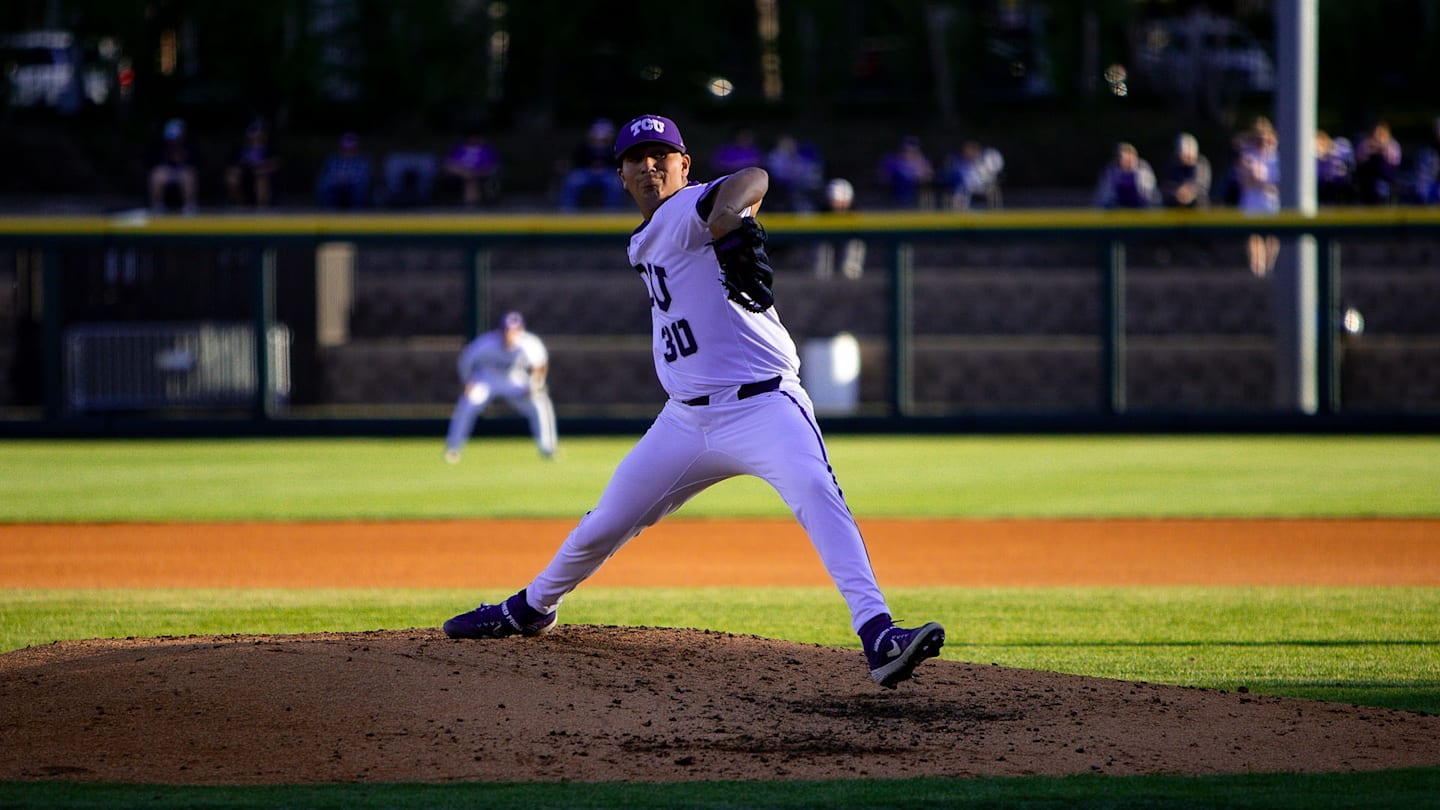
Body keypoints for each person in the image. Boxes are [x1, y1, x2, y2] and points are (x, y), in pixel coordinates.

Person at [442, 113, 945, 689]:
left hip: (764, 406)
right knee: (605, 521)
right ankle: (531, 608)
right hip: (685, 420)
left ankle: (878, 633)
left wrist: (729, 217)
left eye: (662, 155)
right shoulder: (644, 238)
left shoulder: (694, 207)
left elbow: (750, 177)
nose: (649, 165)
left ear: (685, 165)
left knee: (816, 493)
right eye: (636, 158)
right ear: (621, 176)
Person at [444, 311, 557, 463]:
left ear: (521, 330)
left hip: (514, 378)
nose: (510, 334)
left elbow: (540, 364)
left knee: (539, 402)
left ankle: (547, 448)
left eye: (514, 330)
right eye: (507, 330)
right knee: (468, 402)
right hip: (487, 379)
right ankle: (453, 448)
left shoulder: (528, 343)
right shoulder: (486, 343)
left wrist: (535, 384)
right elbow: (466, 361)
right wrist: (468, 382)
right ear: (500, 330)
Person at [1235, 117, 1280, 276]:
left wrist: (1263, 183)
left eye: (1264, 137)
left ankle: (1270, 266)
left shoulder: (1276, 156)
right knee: (1254, 236)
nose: (1262, 141)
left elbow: (1279, 182)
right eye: (1258, 137)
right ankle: (1257, 268)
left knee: (1272, 235)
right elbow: (1243, 179)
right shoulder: (1248, 154)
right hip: (1252, 200)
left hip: (1271, 201)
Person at [559, 118, 625, 211]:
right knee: (572, 180)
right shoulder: (584, 147)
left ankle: (612, 213)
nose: (599, 138)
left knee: (615, 183)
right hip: (587, 173)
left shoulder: (614, 148)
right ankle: (567, 211)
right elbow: (576, 162)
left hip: (607, 174)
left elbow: (618, 165)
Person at [813, 177, 867, 280]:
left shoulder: (854, 211)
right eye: (836, 202)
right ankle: (822, 277)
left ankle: (851, 275)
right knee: (822, 244)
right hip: (828, 240)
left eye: (843, 202)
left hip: (846, 239)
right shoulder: (822, 210)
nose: (839, 206)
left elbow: (857, 231)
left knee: (856, 243)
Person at [224, 119, 281, 209]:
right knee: (232, 177)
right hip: (245, 177)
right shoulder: (240, 149)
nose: (257, 134)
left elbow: (276, 163)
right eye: (254, 131)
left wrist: (263, 168)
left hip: (263, 178)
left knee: (261, 177)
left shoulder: (271, 149)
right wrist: (237, 170)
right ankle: (240, 206)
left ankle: (262, 209)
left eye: (261, 131)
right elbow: (233, 166)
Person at [147, 117, 198, 214]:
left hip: (183, 172)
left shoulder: (189, 146)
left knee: (188, 176)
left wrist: (181, 158)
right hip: (167, 172)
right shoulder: (162, 146)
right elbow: (155, 164)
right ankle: (157, 206)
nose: (174, 141)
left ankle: (189, 206)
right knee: (157, 175)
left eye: (177, 137)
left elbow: (194, 164)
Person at [442, 127, 502, 207]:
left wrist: (476, 173)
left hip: (481, 174)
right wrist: (463, 172)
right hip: (460, 174)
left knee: (473, 179)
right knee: (467, 178)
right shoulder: (459, 149)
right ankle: (468, 204)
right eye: (473, 137)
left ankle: (473, 204)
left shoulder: (487, 150)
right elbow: (448, 164)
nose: (475, 139)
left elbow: (494, 167)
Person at [763, 134, 823, 212]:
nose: (790, 145)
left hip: (800, 184)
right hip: (780, 186)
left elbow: (806, 171)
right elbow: (776, 174)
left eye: (791, 143)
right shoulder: (774, 157)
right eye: (787, 143)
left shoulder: (797, 156)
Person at [316, 132, 373, 209]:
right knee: (326, 186)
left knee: (359, 189)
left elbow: (364, 177)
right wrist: (338, 179)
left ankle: (357, 213)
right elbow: (327, 175)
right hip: (336, 184)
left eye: (351, 147)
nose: (349, 149)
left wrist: (348, 178)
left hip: (354, 185)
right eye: (346, 147)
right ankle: (329, 213)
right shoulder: (333, 160)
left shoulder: (362, 161)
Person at [1093, 142, 1160, 209]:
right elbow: (1104, 194)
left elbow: (1150, 193)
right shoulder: (1111, 170)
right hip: (1116, 204)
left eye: (1125, 157)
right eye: (1120, 157)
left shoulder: (1143, 168)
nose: (1122, 160)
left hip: (1140, 204)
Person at [941, 139, 1005, 210]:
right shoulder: (961, 162)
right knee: (960, 189)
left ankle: (994, 210)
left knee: (992, 189)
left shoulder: (986, 161)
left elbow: (992, 175)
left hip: (983, 186)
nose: (967, 151)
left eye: (970, 149)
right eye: (967, 149)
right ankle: (960, 211)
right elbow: (961, 177)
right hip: (966, 187)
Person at [878, 135, 935, 208]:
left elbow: (929, 176)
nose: (910, 150)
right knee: (902, 178)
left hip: (915, 189)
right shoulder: (892, 160)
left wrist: (917, 177)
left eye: (913, 146)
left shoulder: (922, 161)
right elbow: (883, 176)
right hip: (895, 189)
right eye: (908, 147)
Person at [1353, 121, 1402, 205]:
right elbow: (1359, 161)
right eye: (1377, 133)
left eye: (1382, 134)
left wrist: (1382, 150)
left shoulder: (1393, 145)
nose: (1379, 137)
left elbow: (1394, 164)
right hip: (1367, 179)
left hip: (1386, 178)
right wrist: (1370, 150)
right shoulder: (1365, 145)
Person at [1159, 132, 1211, 209]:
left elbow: (1202, 186)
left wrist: (1189, 192)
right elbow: (1166, 186)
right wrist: (1177, 192)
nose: (1187, 159)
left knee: (1200, 201)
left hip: (1197, 206)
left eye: (1189, 156)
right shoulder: (1172, 165)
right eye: (1184, 156)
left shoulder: (1201, 164)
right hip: (1175, 205)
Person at [1315, 129, 1356, 205]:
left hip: (1340, 187)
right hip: (1323, 189)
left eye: (1320, 144)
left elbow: (1349, 163)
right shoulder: (1315, 160)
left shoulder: (1337, 151)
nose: (1318, 148)